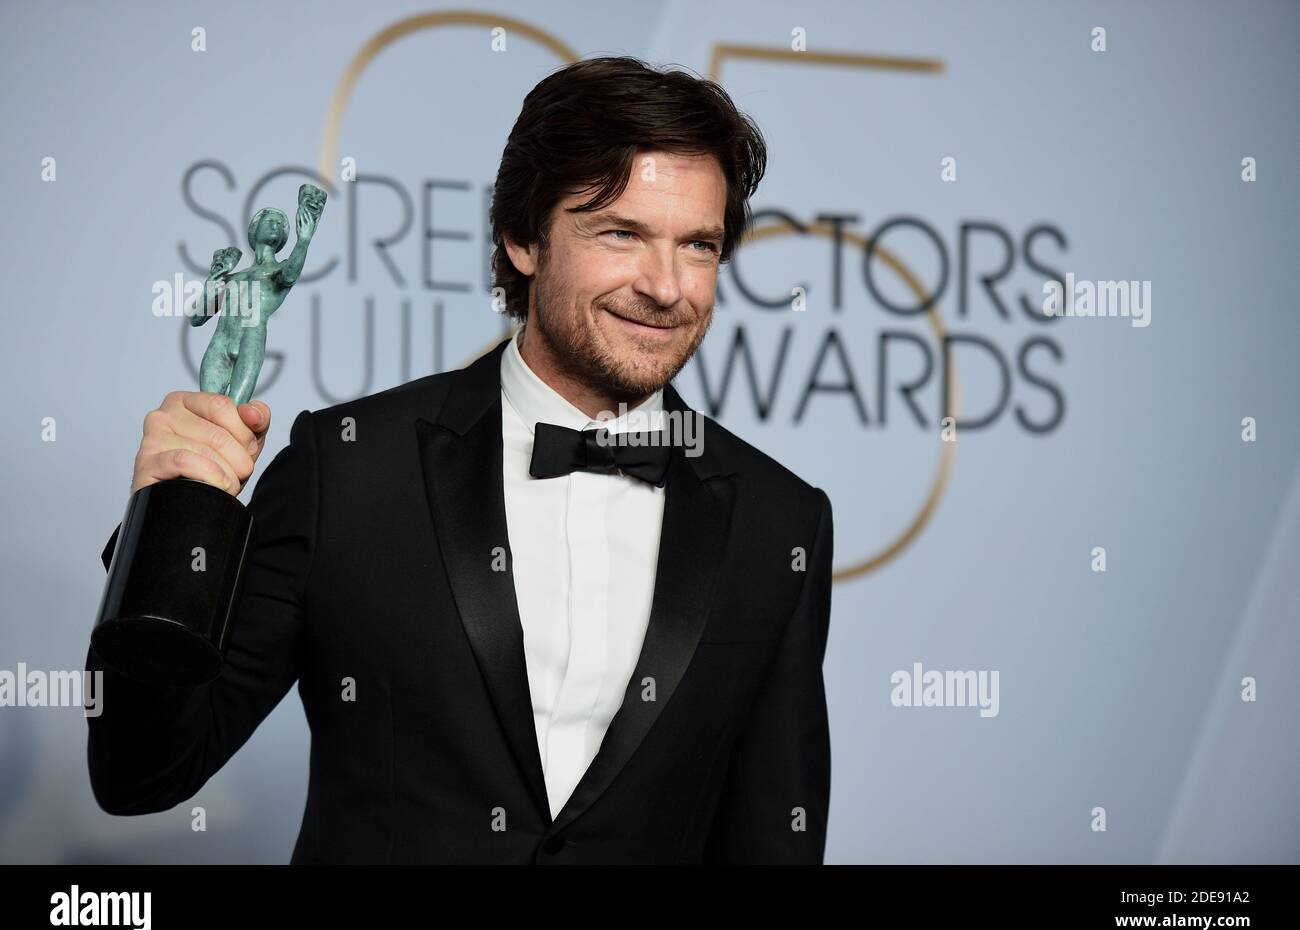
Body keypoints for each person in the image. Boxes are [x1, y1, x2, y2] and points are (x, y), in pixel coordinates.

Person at [87, 55, 834, 864]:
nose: (666, 285)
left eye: (698, 245)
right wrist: (171, 523)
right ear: (523, 237)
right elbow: (141, 772)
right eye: (621, 232)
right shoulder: (349, 471)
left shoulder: (779, 523)